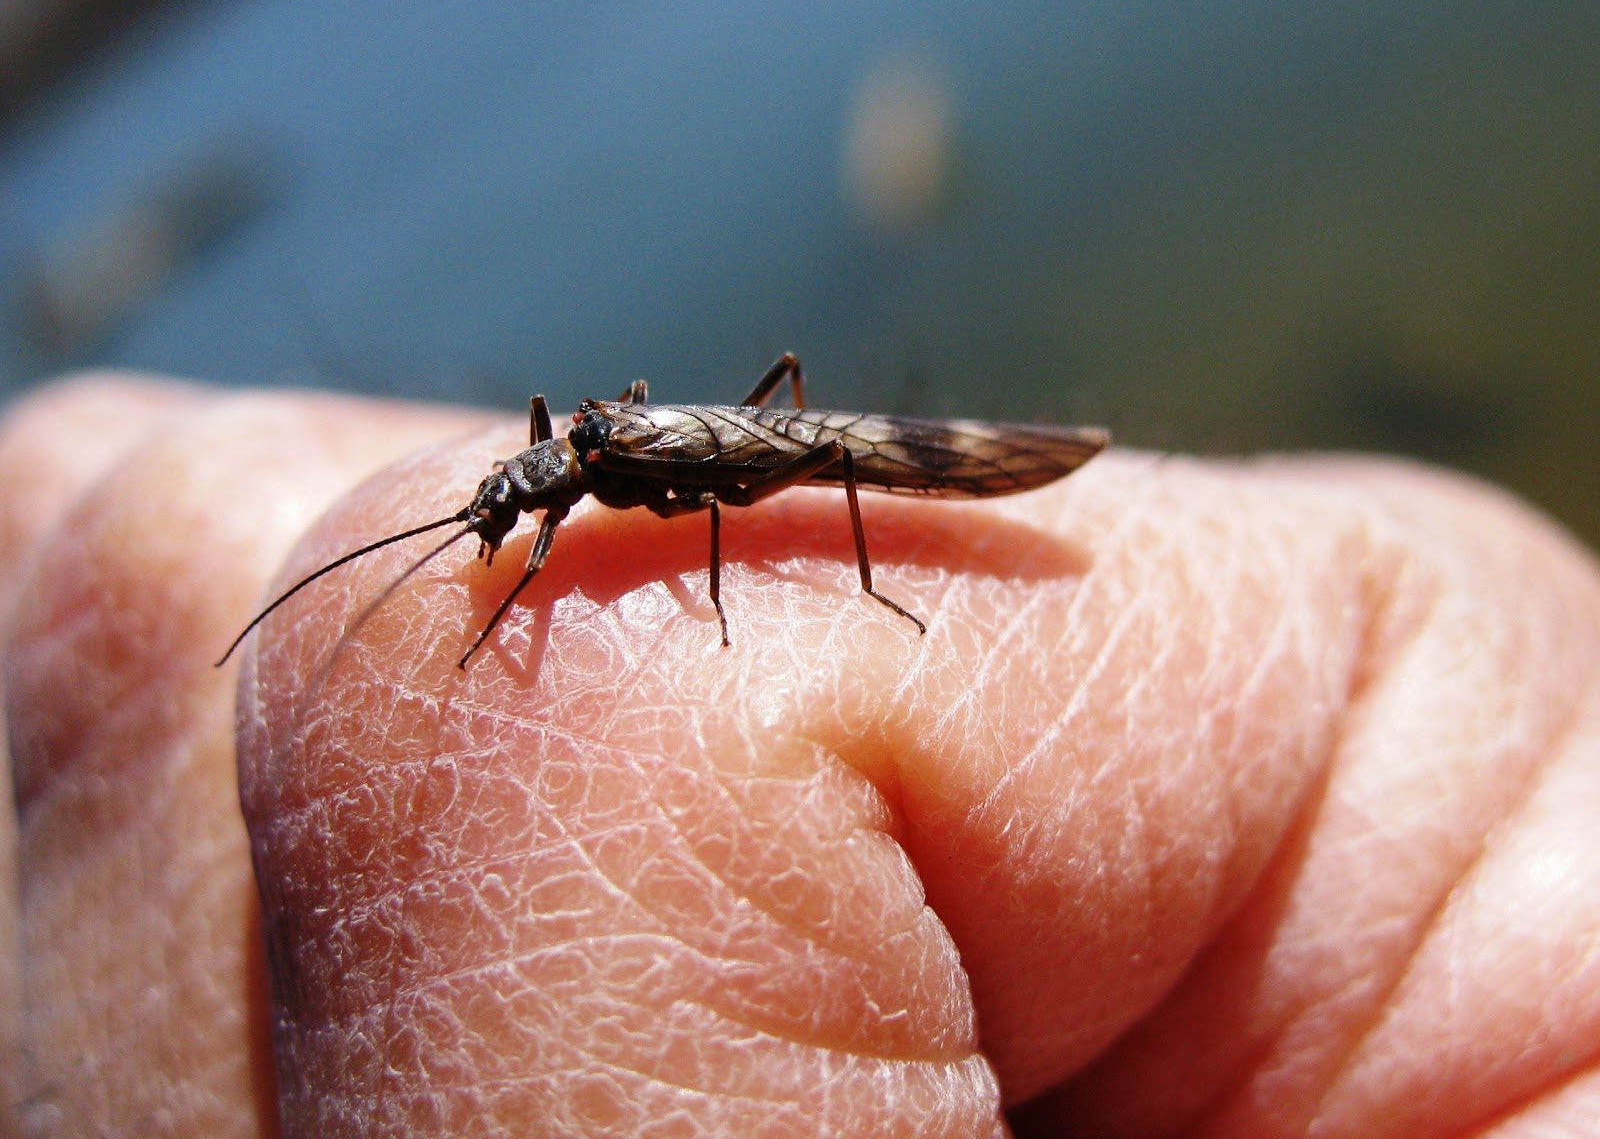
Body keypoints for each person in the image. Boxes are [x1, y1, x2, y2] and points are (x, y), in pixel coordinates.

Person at [2, 372, 1596, 1137]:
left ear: (543, 478)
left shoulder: (611, 463)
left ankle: (932, 531)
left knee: (799, 479)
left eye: (504, 513)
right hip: (720, 446)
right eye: (506, 514)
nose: (504, 528)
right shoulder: (567, 467)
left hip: (810, 460)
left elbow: (697, 507)